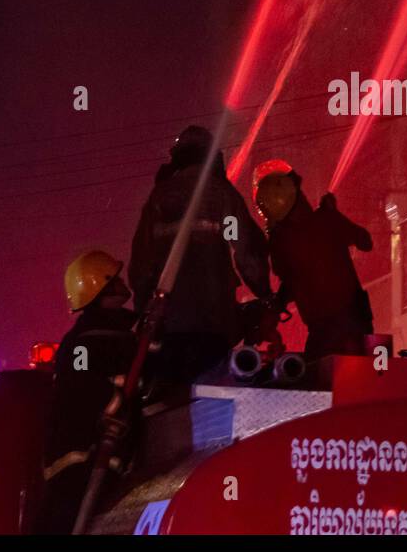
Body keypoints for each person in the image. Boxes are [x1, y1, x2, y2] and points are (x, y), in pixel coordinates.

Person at [128, 125, 272, 384]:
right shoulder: (222, 194)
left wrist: (145, 312)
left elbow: (141, 263)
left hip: (168, 323)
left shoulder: (158, 198)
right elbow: (246, 252)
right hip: (213, 321)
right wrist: (264, 294)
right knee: (211, 396)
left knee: (172, 399)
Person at [38, 250, 137, 535]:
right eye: (115, 278)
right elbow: (82, 385)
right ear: (101, 285)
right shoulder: (84, 342)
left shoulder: (114, 331)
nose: (122, 282)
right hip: (81, 461)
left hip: (98, 458)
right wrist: (116, 403)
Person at [254, 159, 374, 361]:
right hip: (354, 323)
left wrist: (273, 311)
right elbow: (365, 242)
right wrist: (335, 215)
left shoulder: (282, 240)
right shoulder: (326, 220)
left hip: (322, 329)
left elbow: (290, 283)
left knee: (315, 373)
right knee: (363, 375)